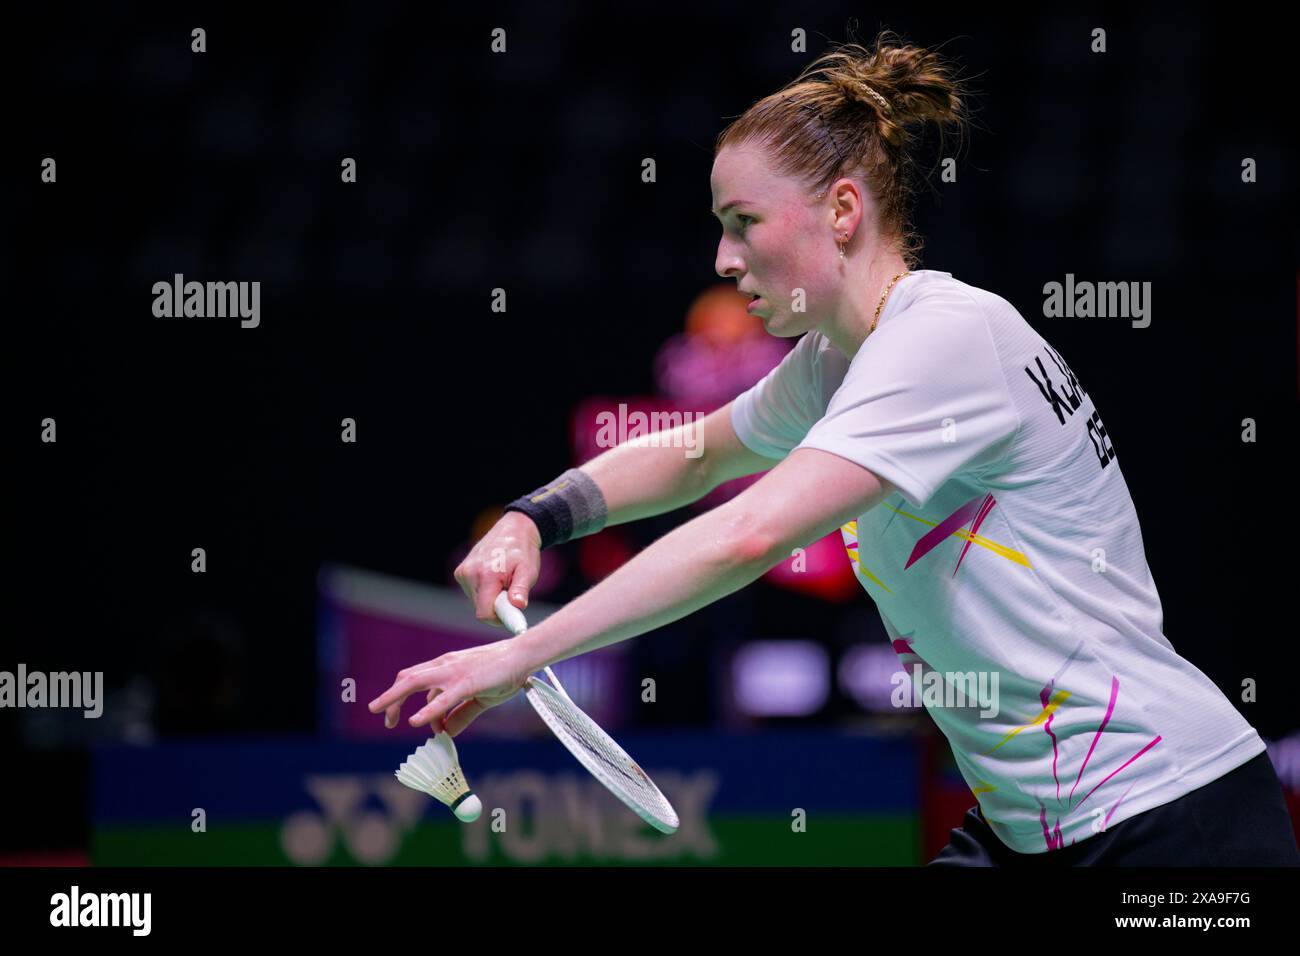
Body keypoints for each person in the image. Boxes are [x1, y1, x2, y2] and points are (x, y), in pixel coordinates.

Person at [369, 32, 1299, 866]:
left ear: (843, 210)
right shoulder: (835, 363)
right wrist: (537, 517)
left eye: (744, 223)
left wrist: (517, 661)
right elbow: (695, 453)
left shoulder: (943, 339)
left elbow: (748, 534)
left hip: (1169, 820)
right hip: (1032, 825)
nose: (725, 261)